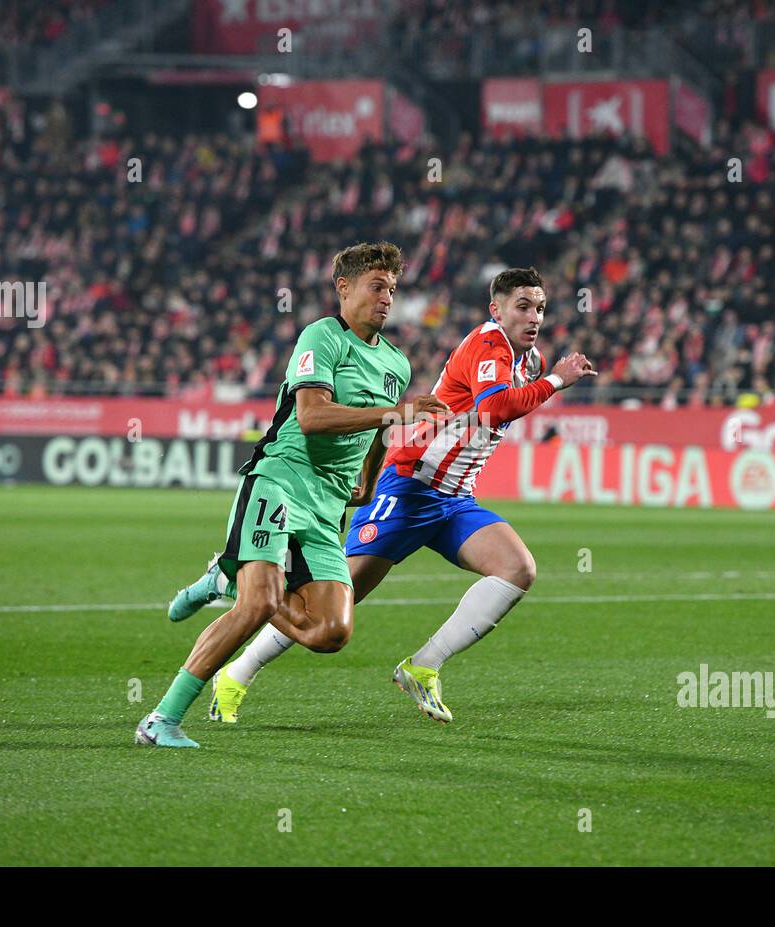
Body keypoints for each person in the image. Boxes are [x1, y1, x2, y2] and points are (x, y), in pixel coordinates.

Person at [175, 267, 596, 724]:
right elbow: (492, 407)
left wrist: (543, 379)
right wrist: (556, 382)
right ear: (496, 309)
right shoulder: (488, 344)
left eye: (540, 309)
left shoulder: (524, 360)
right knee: (336, 600)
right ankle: (237, 669)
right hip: (410, 484)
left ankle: (424, 666)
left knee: (517, 569)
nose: (534, 317)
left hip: (453, 498)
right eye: (523, 307)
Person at [136, 241, 447, 748]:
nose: (387, 297)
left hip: (325, 509)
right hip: (279, 481)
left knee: (330, 631)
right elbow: (312, 416)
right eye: (376, 286)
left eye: (392, 288)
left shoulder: (396, 364)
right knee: (257, 606)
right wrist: (399, 414)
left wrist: (367, 481)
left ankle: (226, 575)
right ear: (343, 289)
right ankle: (161, 719)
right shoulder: (323, 337)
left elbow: (375, 435)